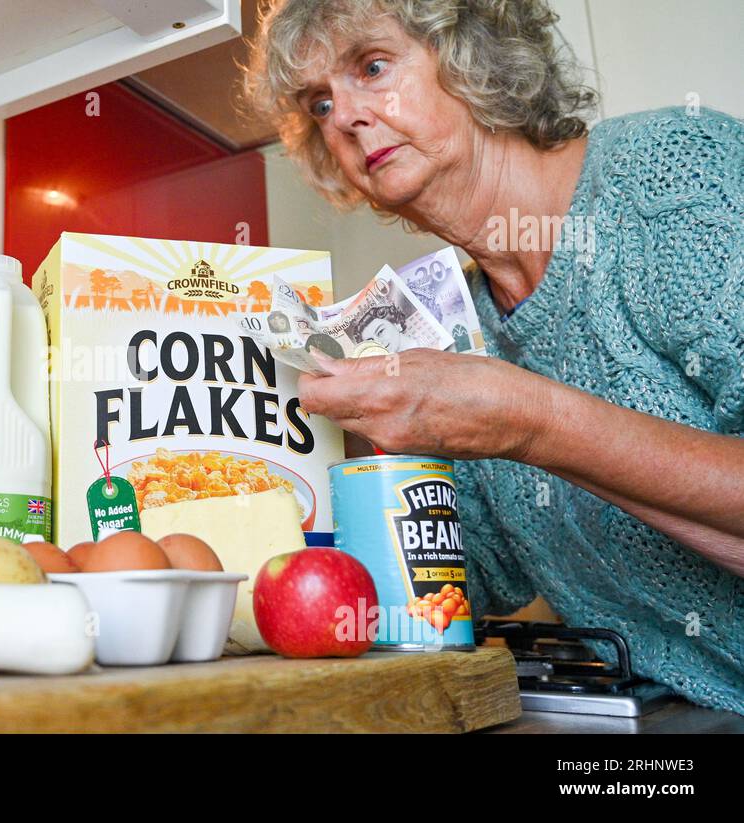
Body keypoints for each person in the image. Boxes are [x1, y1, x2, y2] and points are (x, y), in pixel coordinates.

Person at [245, 0, 744, 712]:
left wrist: (529, 419)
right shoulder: (458, 328)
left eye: (373, 66)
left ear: (472, 54)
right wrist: (354, 452)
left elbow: (523, 421)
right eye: (319, 104)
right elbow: (459, 588)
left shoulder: (678, 179)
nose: (344, 118)